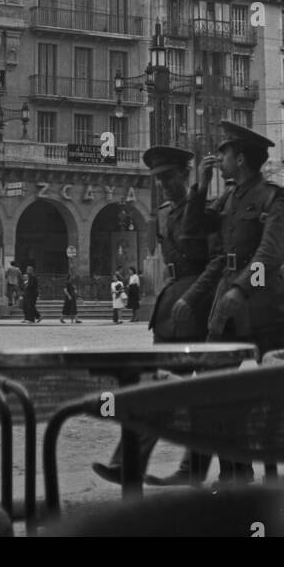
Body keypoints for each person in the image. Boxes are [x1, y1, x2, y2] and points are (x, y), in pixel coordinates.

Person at [170, 121, 284, 483]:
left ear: (240, 158)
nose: (217, 157)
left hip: (265, 310)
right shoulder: (228, 198)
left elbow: (270, 255)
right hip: (226, 310)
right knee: (211, 388)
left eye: (223, 153)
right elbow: (194, 236)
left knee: (276, 391)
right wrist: (201, 187)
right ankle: (234, 473)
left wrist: (240, 290)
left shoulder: (274, 197)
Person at [93, 145, 214, 486]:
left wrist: (194, 296)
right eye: (158, 179)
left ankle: (192, 472)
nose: (163, 185)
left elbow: (209, 255)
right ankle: (127, 461)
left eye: (169, 177)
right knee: (155, 387)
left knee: (204, 392)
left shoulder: (204, 208)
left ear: (185, 175)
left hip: (201, 306)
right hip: (171, 308)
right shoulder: (161, 214)